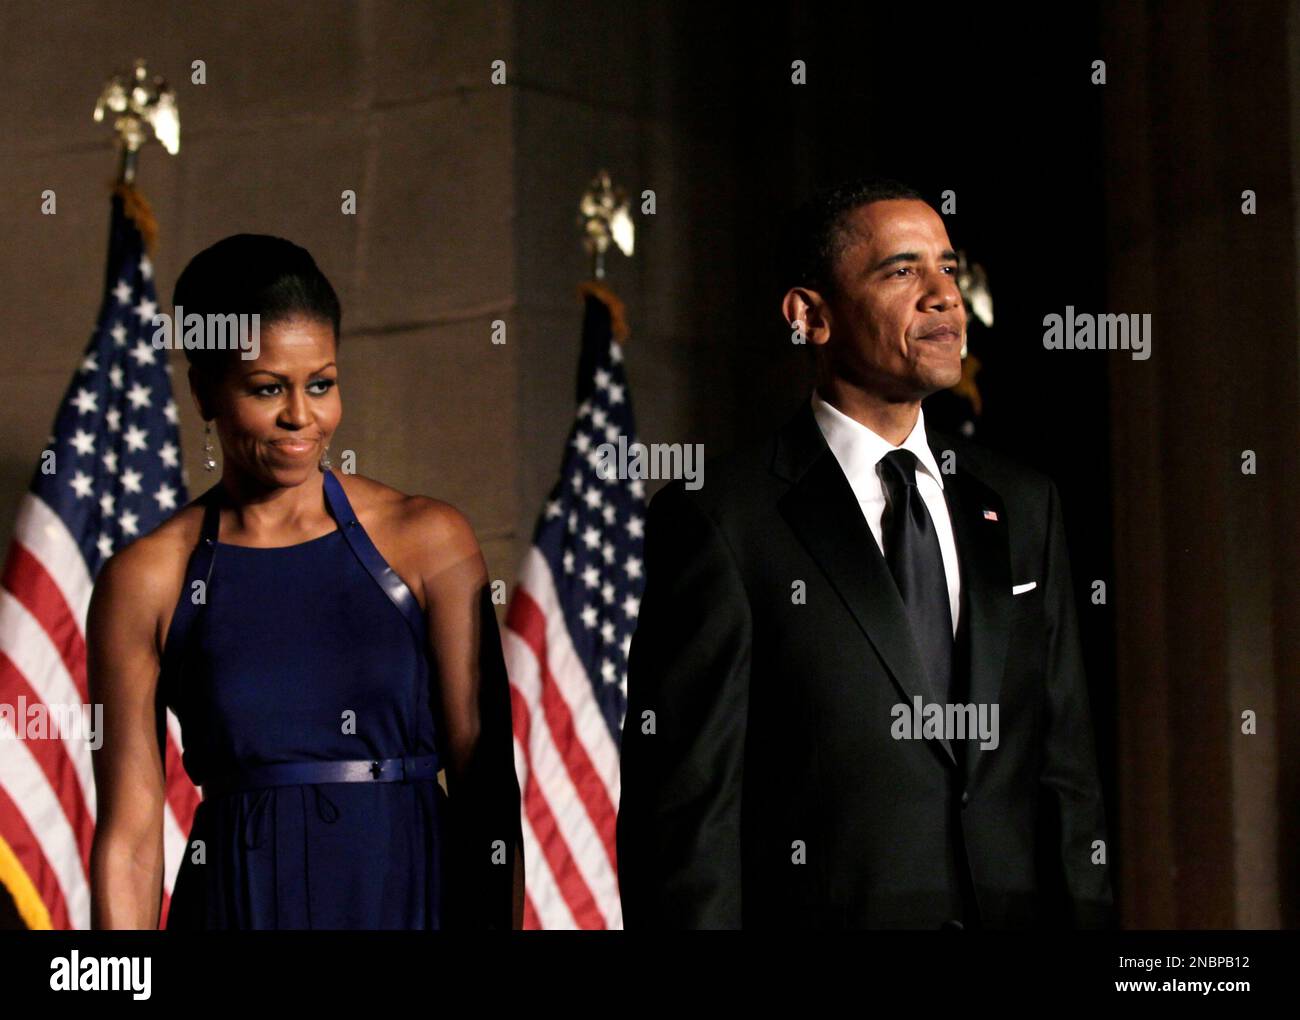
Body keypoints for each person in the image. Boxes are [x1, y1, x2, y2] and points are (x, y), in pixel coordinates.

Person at [616, 179, 1115, 929]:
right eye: (903, 270)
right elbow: (686, 819)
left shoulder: (1023, 501)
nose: (945, 295)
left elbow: (1066, 771)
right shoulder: (721, 519)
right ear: (809, 315)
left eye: (949, 267)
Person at [87, 234, 522, 929]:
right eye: (267, 389)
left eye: (320, 383)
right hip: (236, 907)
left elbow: (487, 789)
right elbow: (130, 839)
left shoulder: (428, 537)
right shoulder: (147, 576)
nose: (302, 418)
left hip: (412, 901)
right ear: (204, 390)